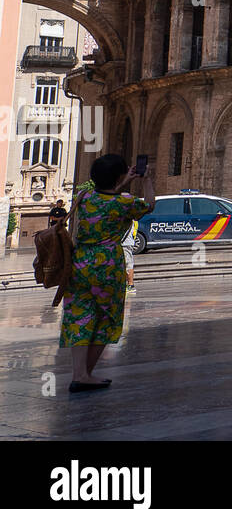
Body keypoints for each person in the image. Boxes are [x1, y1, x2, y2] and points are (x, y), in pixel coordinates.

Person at [60, 154, 154, 392]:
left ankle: (79, 373)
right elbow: (150, 205)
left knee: (79, 318)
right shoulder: (125, 203)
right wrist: (145, 180)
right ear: (119, 177)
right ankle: (85, 375)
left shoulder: (85, 197)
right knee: (106, 319)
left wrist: (121, 183)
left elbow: (104, 196)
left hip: (79, 264)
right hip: (107, 267)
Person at [122, 219, 139, 292]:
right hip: (128, 243)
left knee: (128, 264)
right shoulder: (133, 220)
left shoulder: (127, 220)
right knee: (127, 264)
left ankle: (130, 285)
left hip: (126, 244)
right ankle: (129, 285)